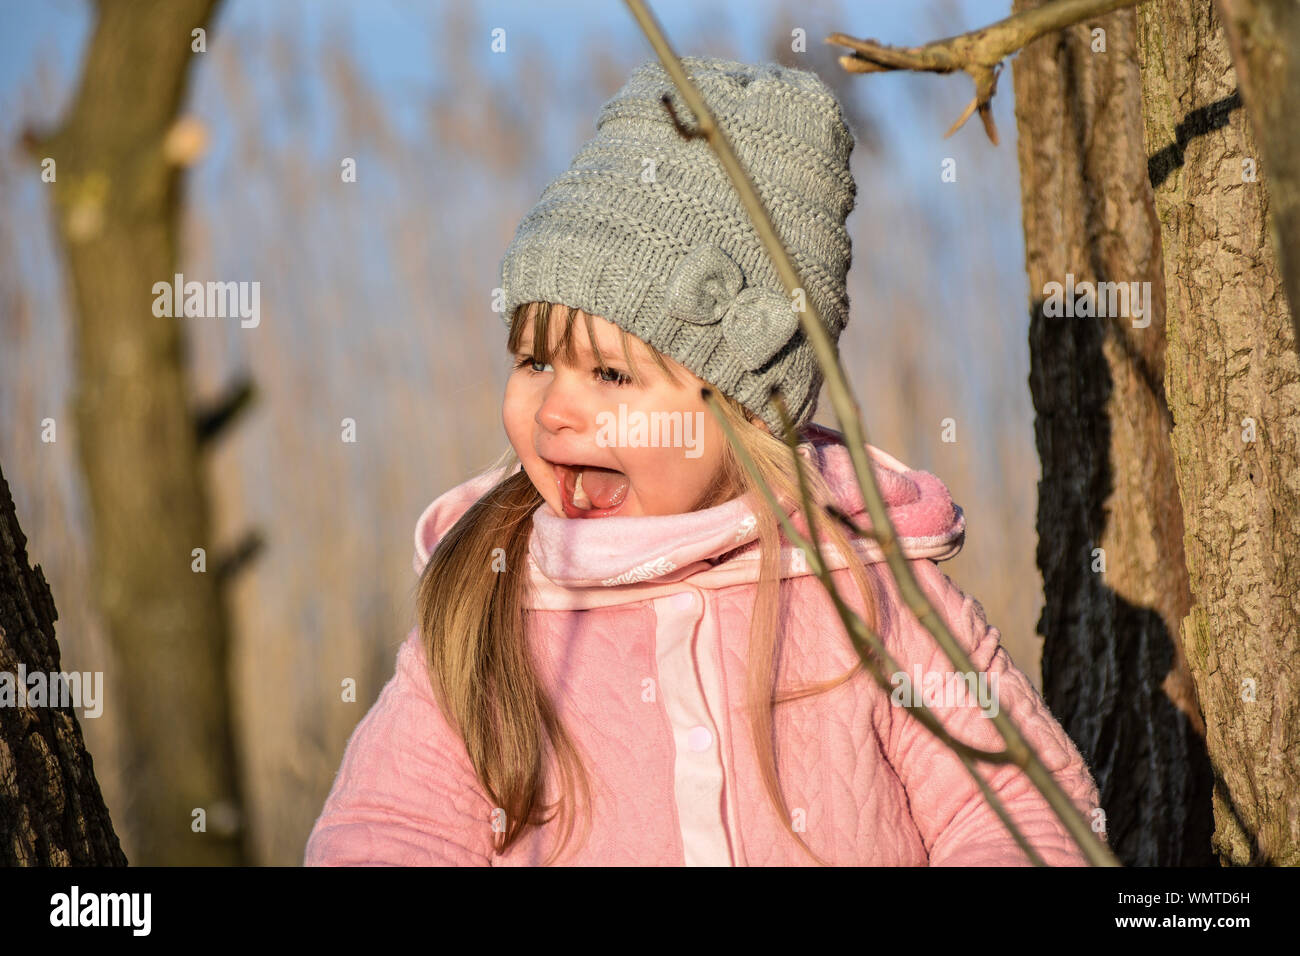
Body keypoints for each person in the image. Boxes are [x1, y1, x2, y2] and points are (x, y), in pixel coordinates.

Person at [304, 55, 1105, 866]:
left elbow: (1017, 810)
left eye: (610, 374)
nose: (552, 410)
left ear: (747, 408)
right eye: (533, 361)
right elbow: (386, 834)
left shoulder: (869, 592)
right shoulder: (494, 605)